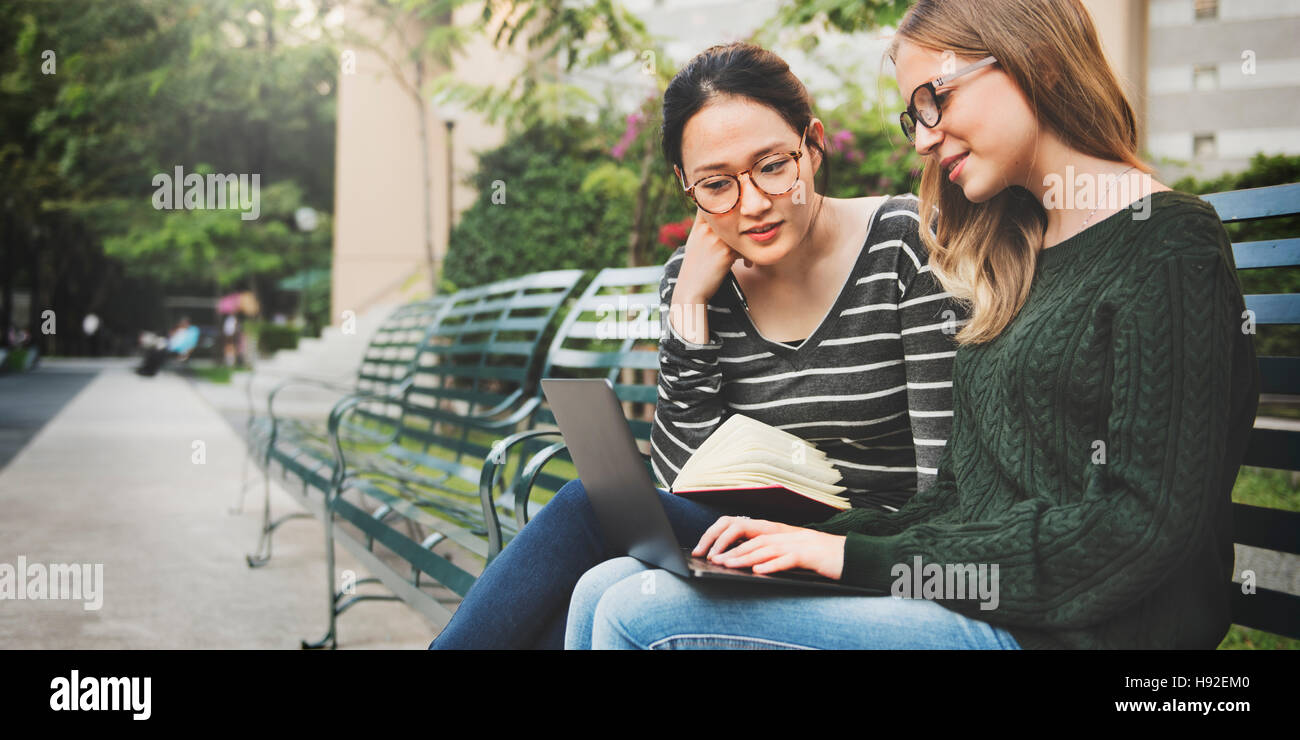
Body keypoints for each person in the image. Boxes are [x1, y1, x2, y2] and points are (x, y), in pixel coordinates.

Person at [564, 0, 1260, 650]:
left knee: (639, 612)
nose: (924, 138)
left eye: (938, 99)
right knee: (606, 584)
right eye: (914, 115)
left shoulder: (1168, 246)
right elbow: (959, 499)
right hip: (976, 602)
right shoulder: (1017, 253)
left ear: (1037, 60)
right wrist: (804, 542)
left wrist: (848, 555)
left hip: (1070, 631)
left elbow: (1139, 530)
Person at [430, 42, 965, 649]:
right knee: (601, 584)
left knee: (587, 508)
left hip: (868, 552)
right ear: (686, 187)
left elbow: (943, 484)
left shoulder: (906, 247)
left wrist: (841, 551)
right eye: (717, 184)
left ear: (812, 144)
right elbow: (680, 478)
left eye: (772, 166)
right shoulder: (696, 280)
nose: (753, 204)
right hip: (740, 541)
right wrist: (689, 308)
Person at [135, 316, 199, 376]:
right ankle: (147, 368)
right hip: (167, 343)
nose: (182, 324)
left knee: (157, 349)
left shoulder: (192, 331)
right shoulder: (179, 330)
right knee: (155, 346)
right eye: (181, 323)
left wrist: (185, 354)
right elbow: (170, 336)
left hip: (172, 348)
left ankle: (149, 369)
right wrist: (176, 330)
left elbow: (191, 345)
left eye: (184, 323)